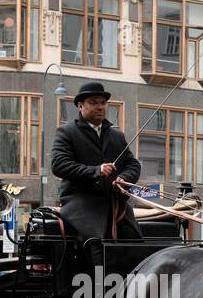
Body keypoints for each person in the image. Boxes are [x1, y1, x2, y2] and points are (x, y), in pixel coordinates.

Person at [50, 81, 143, 275]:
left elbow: (133, 164)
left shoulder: (116, 135)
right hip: (81, 202)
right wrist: (96, 171)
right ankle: (101, 296)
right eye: (94, 102)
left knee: (135, 241)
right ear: (80, 105)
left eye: (102, 102)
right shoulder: (66, 132)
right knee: (97, 244)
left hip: (114, 201)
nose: (100, 107)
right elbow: (59, 165)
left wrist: (123, 178)